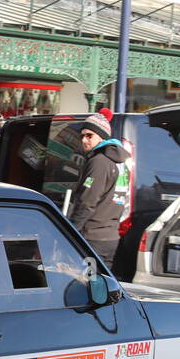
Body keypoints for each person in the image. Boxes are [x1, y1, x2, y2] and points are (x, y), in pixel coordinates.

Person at [67, 113, 129, 267]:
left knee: (86, 286)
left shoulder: (99, 162)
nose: (84, 140)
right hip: (110, 236)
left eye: (89, 135)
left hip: (92, 236)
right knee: (101, 285)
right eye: (82, 136)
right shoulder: (119, 162)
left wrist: (70, 230)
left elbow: (87, 201)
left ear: (101, 137)